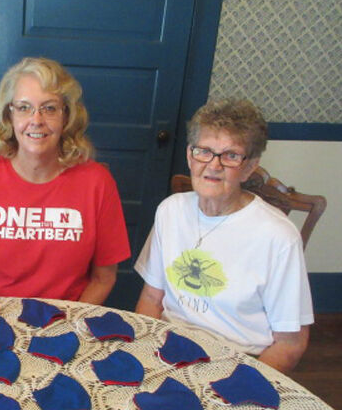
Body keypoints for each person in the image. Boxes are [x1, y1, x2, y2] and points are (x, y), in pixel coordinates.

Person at [134, 98, 312, 372]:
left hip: (237, 361)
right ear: (189, 156)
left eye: (230, 156)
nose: (213, 165)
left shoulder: (278, 237)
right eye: (204, 151)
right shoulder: (170, 211)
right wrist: (143, 355)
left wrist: (240, 384)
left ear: (250, 166)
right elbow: (151, 299)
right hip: (167, 348)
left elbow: (291, 343)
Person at [0, 57, 129, 303]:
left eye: (49, 108)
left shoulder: (98, 183)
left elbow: (104, 278)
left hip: (69, 319)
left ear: (66, 116)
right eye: (24, 107)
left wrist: (68, 327)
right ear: (9, 116)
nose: (36, 120)